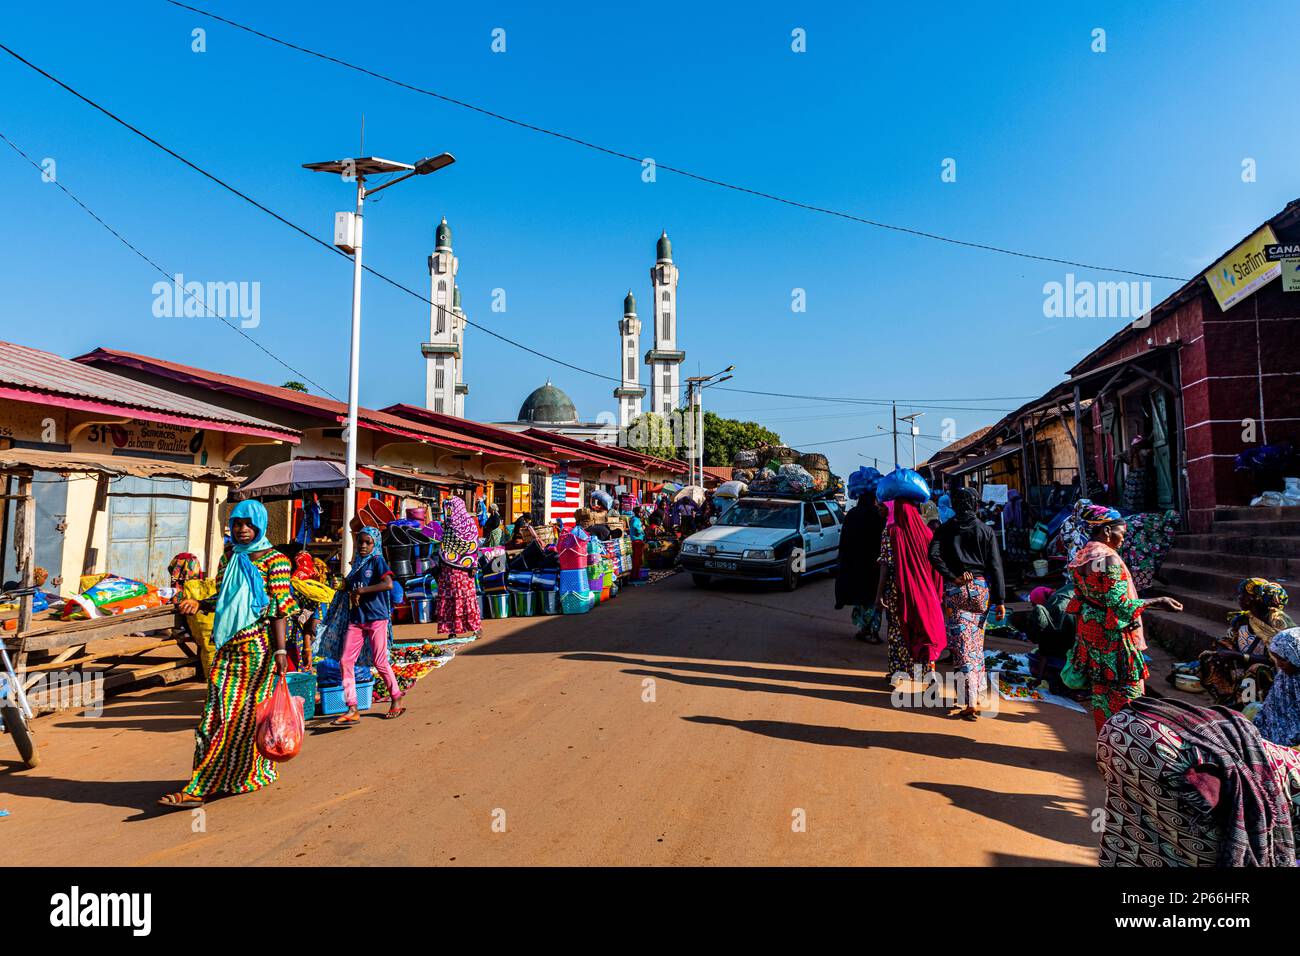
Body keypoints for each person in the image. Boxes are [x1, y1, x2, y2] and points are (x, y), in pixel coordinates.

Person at [160, 500, 294, 808]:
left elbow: (279, 608)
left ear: (259, 525)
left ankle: (199, 788)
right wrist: (201, 603)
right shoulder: (229, 556)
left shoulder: (276, 561)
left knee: (236, 719)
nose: (242, 529)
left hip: (257, 648)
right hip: (227, 648)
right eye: (237, 524)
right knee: (214, 715)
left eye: (248, 524)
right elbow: (226, 596)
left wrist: (281, 650)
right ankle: (245, 776)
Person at [1097, 696, 1300, 867]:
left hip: (1123, 726)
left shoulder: (1277, 757)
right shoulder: (1287, 774)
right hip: (1168, 753)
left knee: (1136, 822)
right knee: (1198, 848)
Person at [1065, 505, 1183, 732]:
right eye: (1122, 532)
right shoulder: (1108, 559)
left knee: (1101, 693)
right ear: (1107, 531)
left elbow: (1085, 596)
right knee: (1129, 695)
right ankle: (1128, 747)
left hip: (1092, 636)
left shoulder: (1083, 556)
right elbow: (1118, 605)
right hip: (1114, 640)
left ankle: (1107, 743)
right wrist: (1157, 601)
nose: (1124, 539)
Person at [928, 487, 1006, 719]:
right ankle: (976, 694)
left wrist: (952, 576)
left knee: (962, 648)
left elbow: (932, 555)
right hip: (981, 591)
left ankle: (970, 700)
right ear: (974, 504)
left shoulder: (946, 529)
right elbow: (995, 566)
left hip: (956, 591)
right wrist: (1000, 600)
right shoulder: (986, 530)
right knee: (975, 645)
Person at [332, 527, 405, 725]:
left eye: (368, 542)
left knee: (380, 661)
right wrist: (341, 584)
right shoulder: (357, 565)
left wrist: (362, 591)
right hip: (357, 619)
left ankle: (396, 697)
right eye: (360, 542)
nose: (363, 546)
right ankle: (352, 707)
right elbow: (349, 585)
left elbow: (388, 584)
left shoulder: (377, 561)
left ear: (375, 544)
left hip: (376, 618)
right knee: (346, 661)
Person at [874, 498, 946, 682]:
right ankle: (927, 673)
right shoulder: (927, 533)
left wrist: (879, 594)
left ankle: (900, 672)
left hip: (898, 590)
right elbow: (936, 565)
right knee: (922, 629)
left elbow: (885, 565)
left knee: (898, 631)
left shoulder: (891, 532)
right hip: (925, 590)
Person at [1197, 578, 1294, 707]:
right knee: (1208, 658)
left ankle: (1245, 706)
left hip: (1274, 672)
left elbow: (1277, 661)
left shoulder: (1278, 623)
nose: (1239, 598)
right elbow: (1227, 641)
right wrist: (1223, 651)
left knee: (1256, 669)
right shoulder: (1242, 620)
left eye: (1241, 595)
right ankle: (1226, 700)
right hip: (1243, 663)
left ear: (1251, 599)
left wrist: (1238, 656)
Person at [836, 487, 886, 643]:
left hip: (857, 563)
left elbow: (844, 541)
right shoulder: (879, 515)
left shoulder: (852, 514)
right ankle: (872, 630)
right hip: (875, 563)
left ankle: (865, 628)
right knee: (874, 596)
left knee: (862, 596)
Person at [436, 497, 482, 640]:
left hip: (464, 571)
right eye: (447, 508)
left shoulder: (469, 524)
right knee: (449, 600)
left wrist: (473, 564)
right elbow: (444, 546)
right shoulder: (447, 526)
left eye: (450, 507)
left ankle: (476, 627)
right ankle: (452, 629)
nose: (448, 511)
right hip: (447, 570)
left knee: (466, 599)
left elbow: (474, 546)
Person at [1255, 627, 1300, 748]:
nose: (1279, 664)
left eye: (1284, 659)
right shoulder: (1284, 677)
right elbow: (1270, 707)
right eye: (1277, 659)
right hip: (1272, 729)